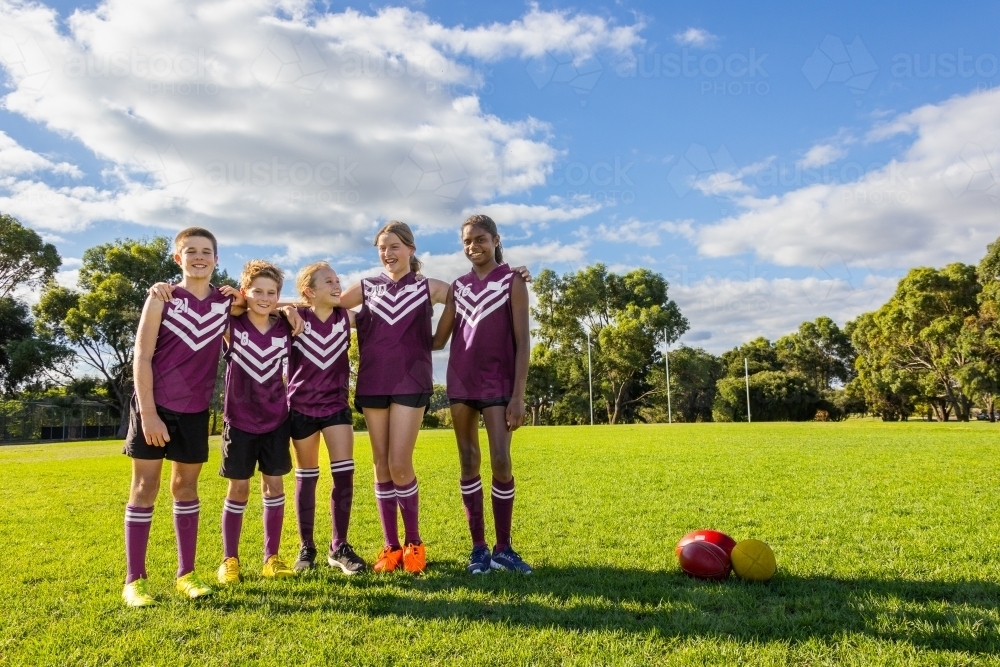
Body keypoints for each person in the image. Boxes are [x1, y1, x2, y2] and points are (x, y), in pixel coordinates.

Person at [122, 227, 231, 606]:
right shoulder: (162, 298)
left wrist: (282, 309)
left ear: (217, 259)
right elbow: (142, 356)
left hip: (195, 411)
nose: (199, 257)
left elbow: (267, 309)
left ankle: (186, 573)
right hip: (154, 407)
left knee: (185, 489)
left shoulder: (227, 304)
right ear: (178, 259)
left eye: (207, 251)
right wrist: (148, 413)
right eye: (191, 251)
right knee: (144, 488)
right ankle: (135, 580)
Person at [338, 221, 448, 574]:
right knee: (381, 464)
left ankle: (414, 542)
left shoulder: (427, 286)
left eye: (394, 246)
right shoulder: (367, 287)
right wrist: (264, 301)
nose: (387, 253)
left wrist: (439, 339)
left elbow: (468, 295)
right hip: (372, 383)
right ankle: (391, 547)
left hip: (411, 382)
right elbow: (325, 305)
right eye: (382, 248)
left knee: (400, 463)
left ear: (411, 250)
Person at [433, 214, 533, 574]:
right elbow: (438, 339)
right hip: (461, 381)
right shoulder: (457, 287)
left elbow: (523, 342)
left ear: (495, 240)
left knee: (501, 460)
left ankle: (503, 548)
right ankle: (478, 549)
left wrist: (518, 395)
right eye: (466, 242)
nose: (473, 246)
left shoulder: (513, 281)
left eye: (479, 239)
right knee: (467, 459)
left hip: (498, 383)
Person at [215, 260, 296, 585]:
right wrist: (236, 299)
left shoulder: (285, 326)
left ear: (278, 295)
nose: (264, 297)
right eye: (257, 291)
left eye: (271, 292)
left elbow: (302, 306)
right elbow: (222, 304)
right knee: (238, 488)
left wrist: (291, 309)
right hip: (239, 420)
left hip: (277, 419)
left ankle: (271, 558)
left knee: (274, 486)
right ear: (245, 292)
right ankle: (229, 560)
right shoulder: (230, 324)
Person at [285, 261, 366, 575]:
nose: (337, 286)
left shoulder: (346, 318)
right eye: (329, 282)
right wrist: (286, 308)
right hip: (301, 408)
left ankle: (339, 546)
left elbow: (384, 320)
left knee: (343, 473)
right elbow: (253, 305)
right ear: (309, 292)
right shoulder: (294, 318)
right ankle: (306, 547)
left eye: (338, 280)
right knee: (307, 477)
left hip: (335, 407)